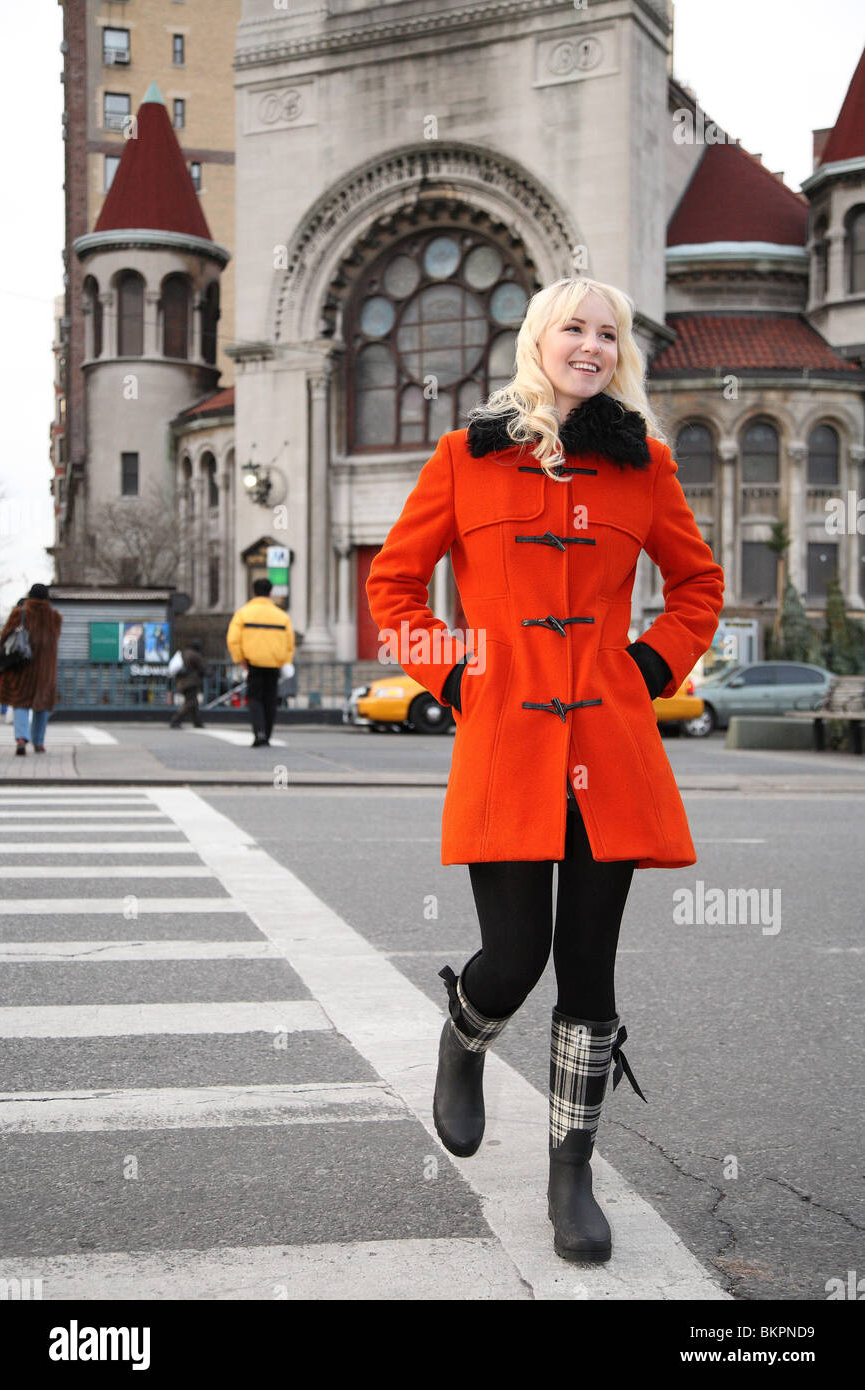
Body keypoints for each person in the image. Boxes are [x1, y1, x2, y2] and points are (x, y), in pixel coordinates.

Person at [365, 276, 725, 1262]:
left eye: (606, 333)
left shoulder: (641, 465)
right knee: (513, 957)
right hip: (505, 738)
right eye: (573, 326)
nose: (591, 344)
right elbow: (392, 584)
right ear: (537, 338)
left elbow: (697, 582)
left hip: (605, 746)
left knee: (588, 972)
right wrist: (455, 673)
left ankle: (570, 1176)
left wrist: (647, 666)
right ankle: (463, 1036)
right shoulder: (463, 457)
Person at [226, 578, 295, 747]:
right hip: (274, 665)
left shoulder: (243, 614)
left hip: (253, 663)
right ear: (270, 593)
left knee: (255, 698)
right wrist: (284, 661)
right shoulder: (282, 616)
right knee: (270, 700)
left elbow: (233, 639)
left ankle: (260, 733)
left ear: (253, 592)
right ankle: (268, 734)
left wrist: (240, 659)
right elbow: (289, 642)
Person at [0, 583, 63, 756]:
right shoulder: (55, 617)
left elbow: (5, 636)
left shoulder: (20, 613)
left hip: (22, 666)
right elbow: (55, 640)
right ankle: (39, 742)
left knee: (21, 702)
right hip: (46, 669)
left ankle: (21, 739)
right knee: (42, 705)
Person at [168, 638, 207, 729]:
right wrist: (208, 673)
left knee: (194, 702)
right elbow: (203, 668)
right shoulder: (194, 655)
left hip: (182, 682)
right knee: (191, 702)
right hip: (190, 682)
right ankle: (175, 719)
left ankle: (197, 722)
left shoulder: (184, 653)